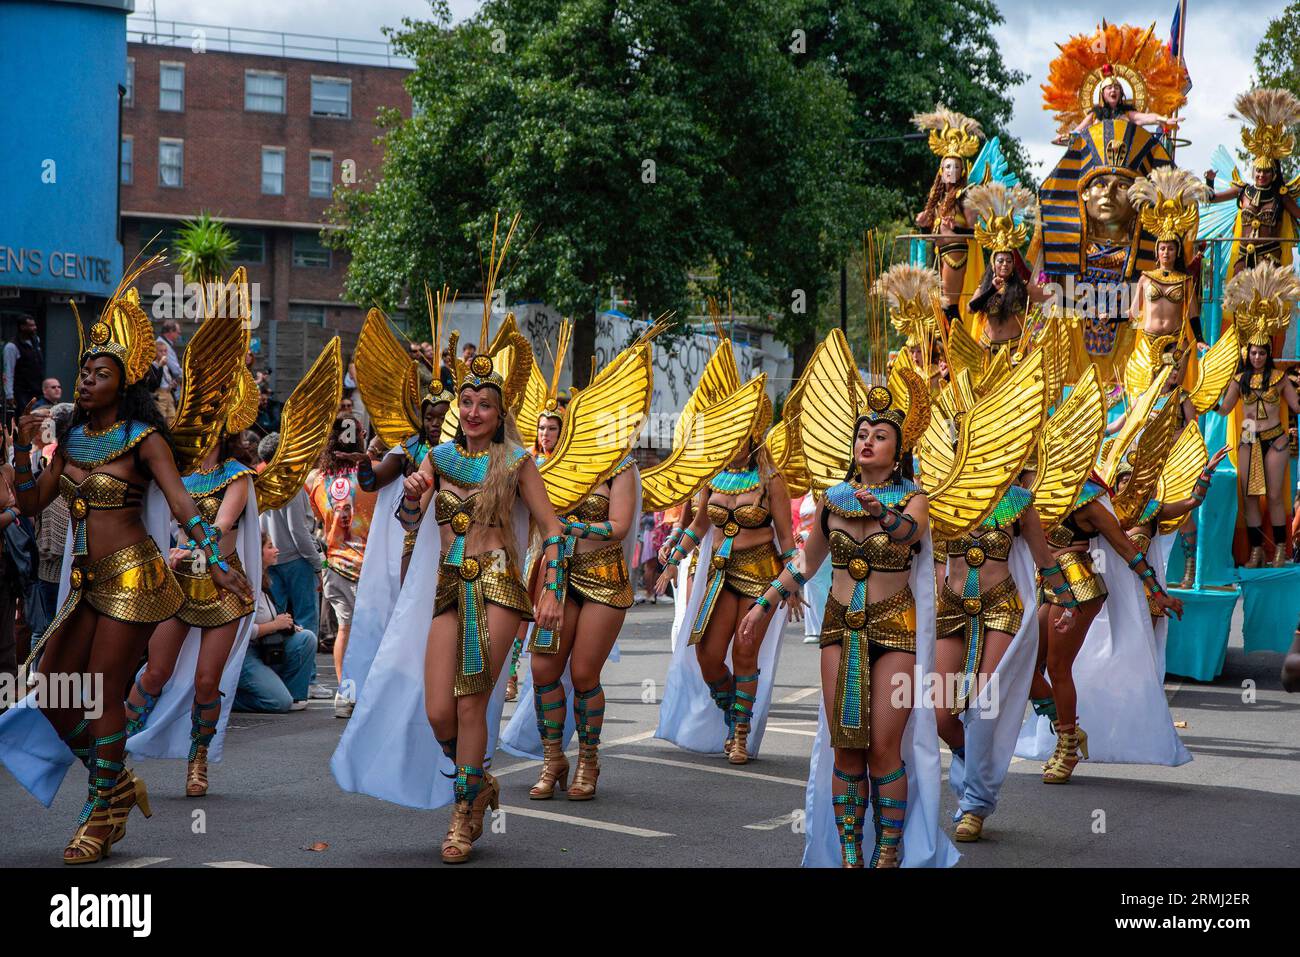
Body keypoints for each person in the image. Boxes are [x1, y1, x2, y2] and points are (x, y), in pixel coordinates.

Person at [0, 263, 250, 864]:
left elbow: (185, 503)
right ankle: (113, 782)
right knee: (56, 692)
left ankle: (98, 814)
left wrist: (216, 560)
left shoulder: (145, 439)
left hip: (135, 576)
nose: (85, 380)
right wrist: (18, 452)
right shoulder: (72, 441)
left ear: (125, 381)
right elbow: (33, 504)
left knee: (102, 691)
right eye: (83, 371)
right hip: (86, 582)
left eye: (99, 373)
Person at [499, 319, 654, 801]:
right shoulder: (546, 465)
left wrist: (573, 528)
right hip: (554, 576)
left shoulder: (620, 465)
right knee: (545, 671)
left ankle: (589, 759)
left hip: (604, 578)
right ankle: (553, 758)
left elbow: (621, 526)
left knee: (584, 673)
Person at [655, 387, 801, 766]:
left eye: (740, 432)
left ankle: (740, 732)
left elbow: (786, 538)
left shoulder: (771, 480)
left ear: (753, 433)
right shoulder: (714, 477)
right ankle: (733, 710)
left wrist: (792, 586)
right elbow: (699, 525)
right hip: (720, 575)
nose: (733, 440)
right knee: (706, 655)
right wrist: (675, 558)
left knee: (745, 648)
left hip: (761, 574)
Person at [1213, 262, 1300, 567]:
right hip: (1249, 437)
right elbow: (1223, 409)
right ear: (1246, 353)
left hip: (1275, 438)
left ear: (1269, 353)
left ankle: (1278, 548)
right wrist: (1207, 393)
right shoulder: (1239, 381)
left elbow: (1297, 407)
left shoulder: (1280, 379)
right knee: (1250, 497)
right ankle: (1255, 551)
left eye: (1263, 352)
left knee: (1274, 496)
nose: (1258, 357)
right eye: (1254, 352)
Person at [306, 414, 376, 717]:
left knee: (345, 629)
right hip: (371, 566)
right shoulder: (372, 473)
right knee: (372, 631)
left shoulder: (315, 479)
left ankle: (345, 694)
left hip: (335, 564)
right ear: (359, 437)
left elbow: (318, 521)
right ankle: (370, 692)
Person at [1204, 88, 1300, 276]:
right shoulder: (1243, 190)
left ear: (1273, 174)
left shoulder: (1280, 195)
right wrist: (1209, 181)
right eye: (1258, 170)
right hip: (1242, 256)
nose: (1261, 175)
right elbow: (1211, 198)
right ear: (1253, 170)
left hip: (1270, 259)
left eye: (1266, 171)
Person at [911, 106, 984, 327]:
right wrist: (925, 225)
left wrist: (955, 229)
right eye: (947, 166)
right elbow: (931, 237)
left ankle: (958, 344)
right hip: (939, 254)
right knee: (937, 308)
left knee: (949, 306)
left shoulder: (965, 195)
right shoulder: (938, 200)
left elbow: (975, 232)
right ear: (941, 171)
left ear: (962, 170)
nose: (951, 171)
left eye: (955, 166)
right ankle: (944, 348)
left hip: (955, 254)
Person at [234, 531, 319, 713]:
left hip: (263, 647)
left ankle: (292, 695)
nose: (277, 550)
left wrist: (285, 624)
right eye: (270, 546)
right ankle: (229, 699)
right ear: (258, 552)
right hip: (244, 654)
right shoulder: (242, 583)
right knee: (278, 702)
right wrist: (274, 625)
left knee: (306, 638)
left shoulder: (263, 580)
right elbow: (240, 631)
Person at [257, 433, 322, 641]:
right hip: (296, 560)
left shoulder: (261, 484)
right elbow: (299, 532)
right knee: (306, 620)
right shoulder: (291, 485)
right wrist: (316, 562)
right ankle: (307, 673)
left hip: (271, 558)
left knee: (275, 619)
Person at [1053, 65, 1180, 145]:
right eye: (1109, 88)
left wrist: (1163, 119)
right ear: (1103, 94)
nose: (1113, 90)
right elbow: (1079, 130)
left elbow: (1146, 117)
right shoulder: (1095, 115)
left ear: (1121, 92)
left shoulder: (1127, 113)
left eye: (1116, 88)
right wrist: (1064, 136)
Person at [4, 314, 45, 416]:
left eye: (34, 325)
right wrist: (9, 395)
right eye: (31, 326)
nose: (34, 328)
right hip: (21, 391)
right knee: (25, 417)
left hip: (36, 389)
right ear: (22, 327)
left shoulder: (36, 341)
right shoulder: (12, 346)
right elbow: (8, 372)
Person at [152, 320, 183, 423]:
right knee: (162, 419)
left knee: (172, 418)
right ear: (170, 331)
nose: (178, 335)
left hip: (169, 391)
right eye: (178, 333)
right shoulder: (162, 346)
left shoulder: (164, 346)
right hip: (160, 393)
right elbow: (176, 371)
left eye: (165, 351)